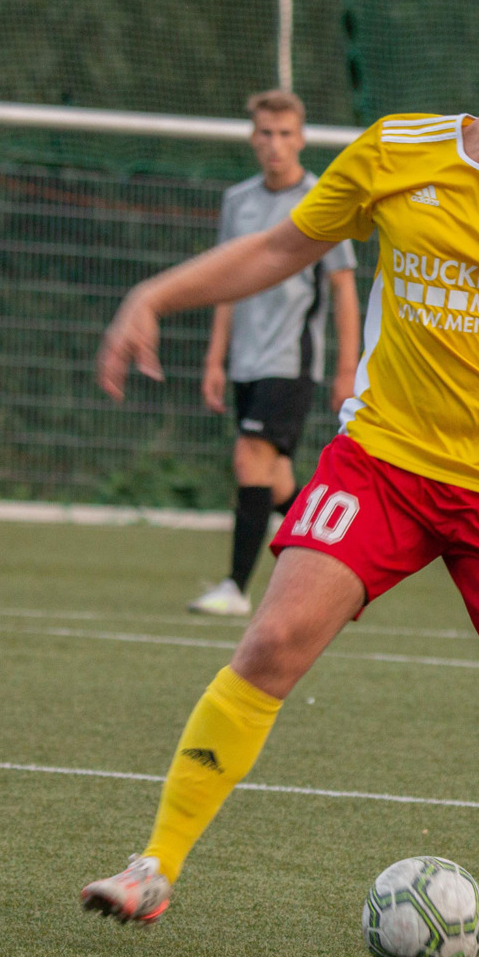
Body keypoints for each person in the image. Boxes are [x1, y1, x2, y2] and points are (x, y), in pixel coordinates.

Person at [82, 0, 479, 957]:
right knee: (271, 642)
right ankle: (154, 864)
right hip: (384, 458)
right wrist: (155, 296)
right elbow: (277, 250)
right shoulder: (397, 151)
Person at [187, 91, 361, 617]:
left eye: (286, 134)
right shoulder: (238, 201)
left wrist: (346, 368)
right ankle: (348, 553)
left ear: (302, 138)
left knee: (248, 459)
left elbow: (344, 288)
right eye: (266, 133)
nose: (276, 144)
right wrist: (215, 359)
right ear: (252, 138)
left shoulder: (322, 197)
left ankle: (236, 588)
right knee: (278, 482)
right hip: (245, 360)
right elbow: (226, 281)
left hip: (290, 363)